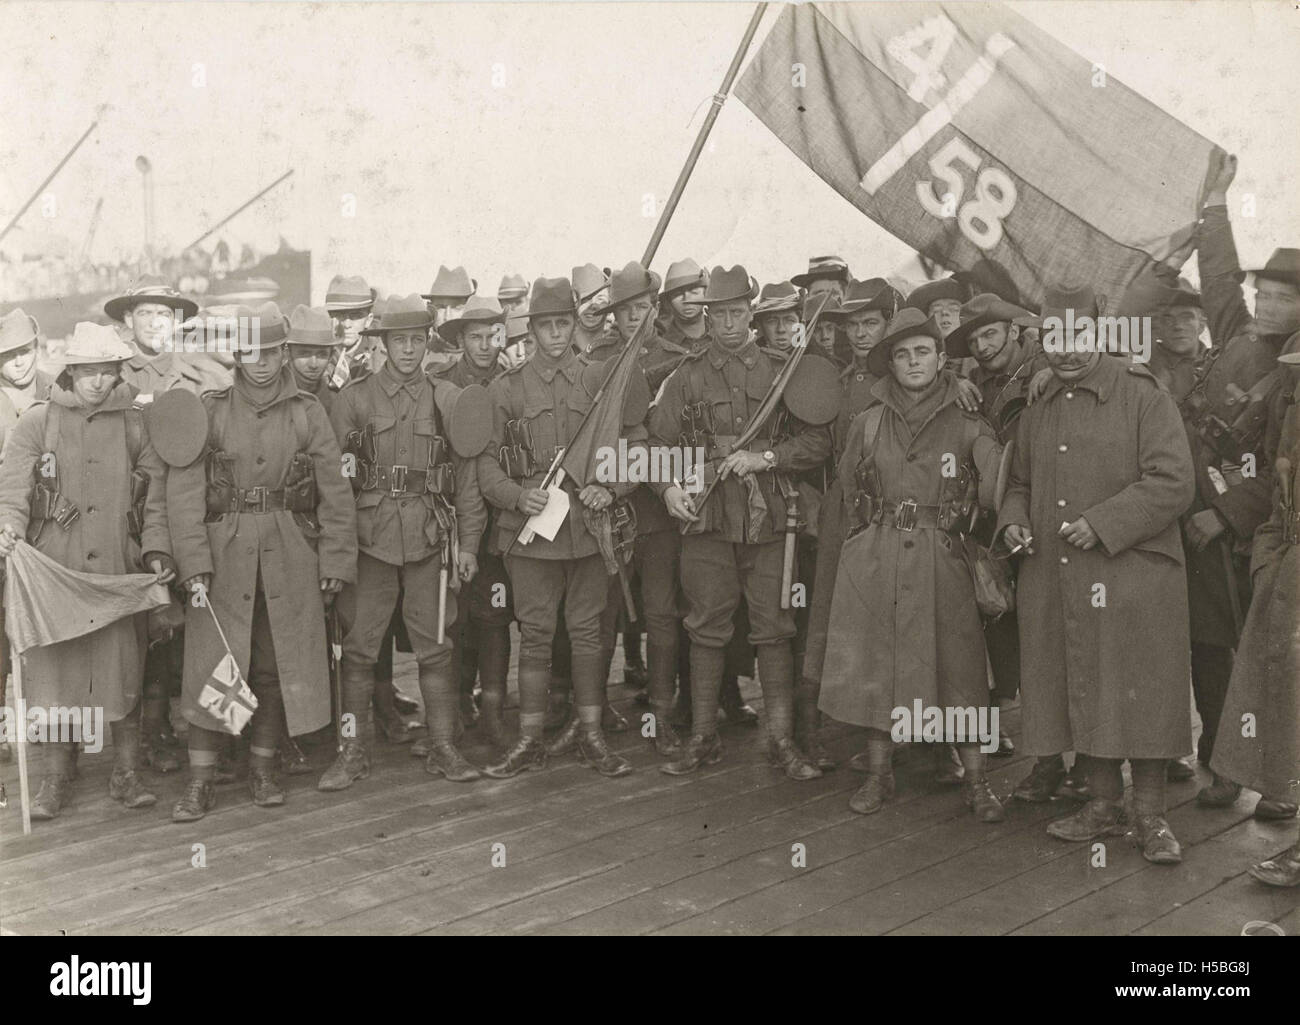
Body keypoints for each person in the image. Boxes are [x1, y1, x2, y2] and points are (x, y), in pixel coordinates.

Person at [998, 284, 1196, 864]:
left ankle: (1152, 817)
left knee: (1143, 690)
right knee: (1085, 683)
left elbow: (1173, 481)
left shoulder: (1142, 394)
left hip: (1134, 573)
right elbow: (1020, 485)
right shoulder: (1039, 405)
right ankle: (1103, 805)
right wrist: (1013, 522)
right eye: (1054, 338)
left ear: (1099, 331)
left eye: (1078, 335)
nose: (1066, 350)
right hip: (1062, 576)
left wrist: (1104, 523)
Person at [167, 303, 357, 821]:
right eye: (251, 350)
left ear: (284, 353)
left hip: (291, 551)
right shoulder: (209, 410)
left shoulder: (308, 412)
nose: (263, 362)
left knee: (276, 663)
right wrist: (193, 561)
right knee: (215, 662)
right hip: (223, 554)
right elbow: (184, 491)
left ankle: (264, 767)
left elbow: (334, 493)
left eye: (272, 351)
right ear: (237, 352)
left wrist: (335, 558)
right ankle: (202, 780)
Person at [819, 308, 1005, 821]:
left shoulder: (969, 420)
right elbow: (848, 486)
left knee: (960, 670)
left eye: (923, 351)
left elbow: (995, 485)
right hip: (876, 557)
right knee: (878, 667)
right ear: (890, 365)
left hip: (943, 559)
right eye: (902, 354)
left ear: (943, 358)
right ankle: (880, 777)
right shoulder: (868, 422)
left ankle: (978, 782)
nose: (913, 361)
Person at [650, 266, 831, 780]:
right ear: (706, 317)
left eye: (737, 312)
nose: (729, 322)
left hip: (771, 521)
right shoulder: (684, 378)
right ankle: (703, 737)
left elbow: (817, 442)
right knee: (705, 627)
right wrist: (667, 490)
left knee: (774, 628)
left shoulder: (783, 371)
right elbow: (654, 447)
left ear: (752, 313)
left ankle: (779, 740)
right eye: (719, 313)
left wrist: (767, 458)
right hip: (705, 520)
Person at [0, 322, 175, 820]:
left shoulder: (137, 424)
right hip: (55, 569)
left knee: (123, 668)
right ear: (71, 371)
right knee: (55, 671)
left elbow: (156, 502)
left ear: (119, 371)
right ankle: (56, 777)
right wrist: (8, 527)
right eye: (89, 371)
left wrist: (157, 552)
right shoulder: (39, 422)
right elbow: (12, 490)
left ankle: (125, 773)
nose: (99, 382)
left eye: (108, 371)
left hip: (118, 569)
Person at [320, 295, 486, 790]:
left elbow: (468, 478)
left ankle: (443, 746)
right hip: (369, 540)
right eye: (399, 341)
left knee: (436, 647)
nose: (409, 349)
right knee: (358, 651)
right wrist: (337, 551)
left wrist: (470, 545)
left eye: (417, 339)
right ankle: (351, 753)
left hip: (428, 537)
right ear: (384, 344)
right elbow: (334, 485)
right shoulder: (354, 398)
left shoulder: (447, 398)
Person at [477, 276, 637, 779]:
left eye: (562, 323)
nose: (554, 335)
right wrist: (516, 496)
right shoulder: (503, 389)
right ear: (531, 330)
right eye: (544, 326)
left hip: (587, 530)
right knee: (537, 635)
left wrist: (609, 488)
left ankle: (591, 734)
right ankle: (529, 740)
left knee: (588, 632)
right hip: (530, 535)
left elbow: (633, 449)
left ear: (574, 324)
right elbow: (483, 466)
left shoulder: (600, 381)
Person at [1181, 156, 1300, 805]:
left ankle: (1280, 788)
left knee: (1274, 657)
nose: (1267, 303)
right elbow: (1219, 274)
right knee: (1210, 643)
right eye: (1266, 293)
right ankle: (1222, 762)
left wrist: (1226, 516)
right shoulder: (1239, 332)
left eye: (1284, 296)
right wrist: (1217, 204)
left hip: (1256, 531)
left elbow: (1288, 467)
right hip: (1203, 508)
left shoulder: (1296, 370)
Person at [1210, 348, 1300, 885]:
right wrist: (1271, 557)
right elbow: (1276, 485)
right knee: (1287, 706)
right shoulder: (1292, 402)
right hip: (1288, 568)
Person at [430, 297, 512, 750]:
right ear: (460, 341)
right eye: (475, 337)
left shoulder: (511, 382)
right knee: (455, 617)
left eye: (492, 335)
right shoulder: (442, 387)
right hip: (457, 519)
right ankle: (459, 705)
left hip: (504, 522)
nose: (485, 345)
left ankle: (495, 709)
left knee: (496, 615)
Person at [323, 274, 378, 388]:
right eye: (340, 316)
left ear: (368, 320)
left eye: (355, 316)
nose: (347, 325)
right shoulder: (317, 355)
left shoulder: (379, 357)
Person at [656, 259, 710, 351]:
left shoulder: (722, 334)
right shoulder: (660, 345)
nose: (686, 299)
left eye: (694, 292)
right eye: (677, 294)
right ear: (668, 301)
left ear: (706, 294)